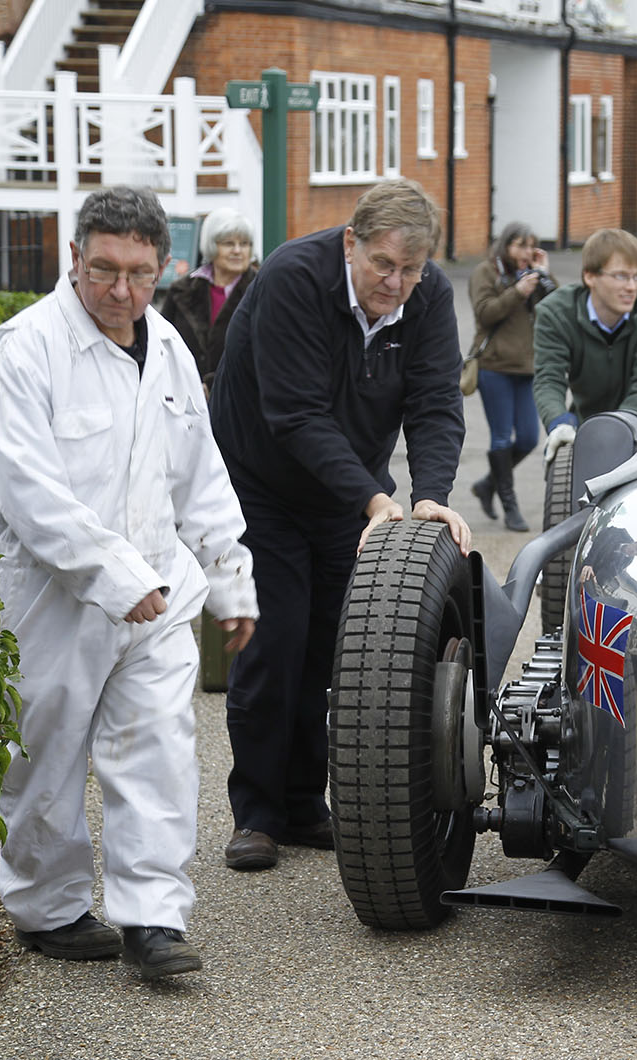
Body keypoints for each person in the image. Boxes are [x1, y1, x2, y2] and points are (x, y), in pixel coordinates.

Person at [0, 186, 257, 978]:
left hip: (160, 597)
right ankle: (48, 908)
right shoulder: (24, 350)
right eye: (104, 270)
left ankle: (153, 919)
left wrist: (228, 578)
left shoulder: (171, 346)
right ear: (74, 258)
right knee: (44, 758)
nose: (121, 292)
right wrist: (114, 576)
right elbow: (30, 491)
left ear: (164, 266)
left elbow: (199, 473)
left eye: (140, 274)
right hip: (52, 600)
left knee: (159, 752)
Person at [209, 178, 470, 872]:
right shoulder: (294, 278)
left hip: (347, 493)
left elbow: (437, 399)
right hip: (260, 481)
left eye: (411, 270)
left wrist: (429, 495)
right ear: (351, 242)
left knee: (334, 644)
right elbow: (292, 413)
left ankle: (303, 804)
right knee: (276, 638)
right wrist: (373, 498)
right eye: (384, 265)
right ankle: (257, 812)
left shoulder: (430, 295)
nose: (396, 283)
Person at [533, 228, 637, 464]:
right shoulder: (555, 314)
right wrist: (559, 423)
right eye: (621, 276)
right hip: (592, 419)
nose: (632, 287)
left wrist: (617, 430)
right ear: (590, 276)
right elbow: (548, 377)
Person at [464, 223, 558, 531]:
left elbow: (557, 309)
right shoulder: (486, 273)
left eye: (530, 246)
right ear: (505, 246)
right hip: (494, 366)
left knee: (530, 437)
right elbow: (485, 313)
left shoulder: (532, 275)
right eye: (519, 245)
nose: (525, 253)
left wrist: (544, 275)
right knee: (501, 437)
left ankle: (487, 484)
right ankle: (510, 504)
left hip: (527, 367)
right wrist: (517, 292)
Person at [157, 207, 257, 394]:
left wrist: (213, 385)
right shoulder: (182, 289)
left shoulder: (261, 290)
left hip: (239, 400)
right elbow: (161, 345)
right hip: (184, 398)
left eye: (244, 244)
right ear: (211, 246)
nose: (237, 250)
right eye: (228, 243)